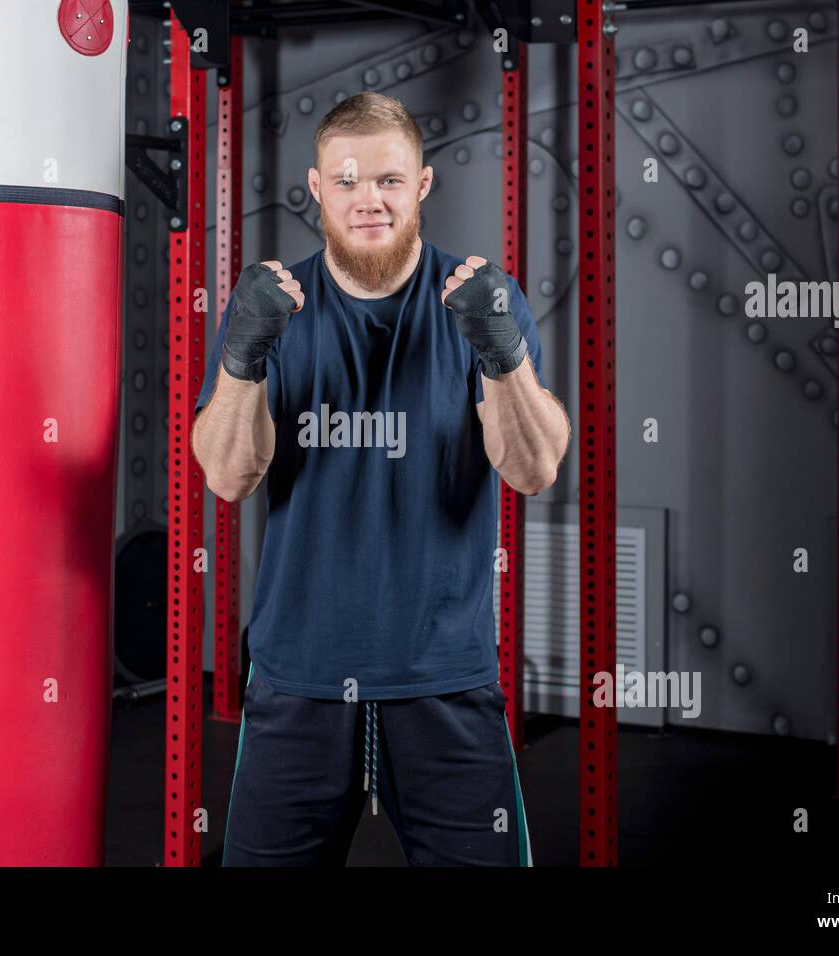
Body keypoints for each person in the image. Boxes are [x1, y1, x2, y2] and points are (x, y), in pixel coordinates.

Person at [191, 91, 571, 866]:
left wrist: (502, 353)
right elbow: (229, 477)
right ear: (317, 188)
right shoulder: (273, 306)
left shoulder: (479, 301)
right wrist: (243, 358)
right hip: (298, 678)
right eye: (348, 181)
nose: (369, 200)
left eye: (390, 181)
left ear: (423, 185)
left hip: (443, 680)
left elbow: (535, 467)